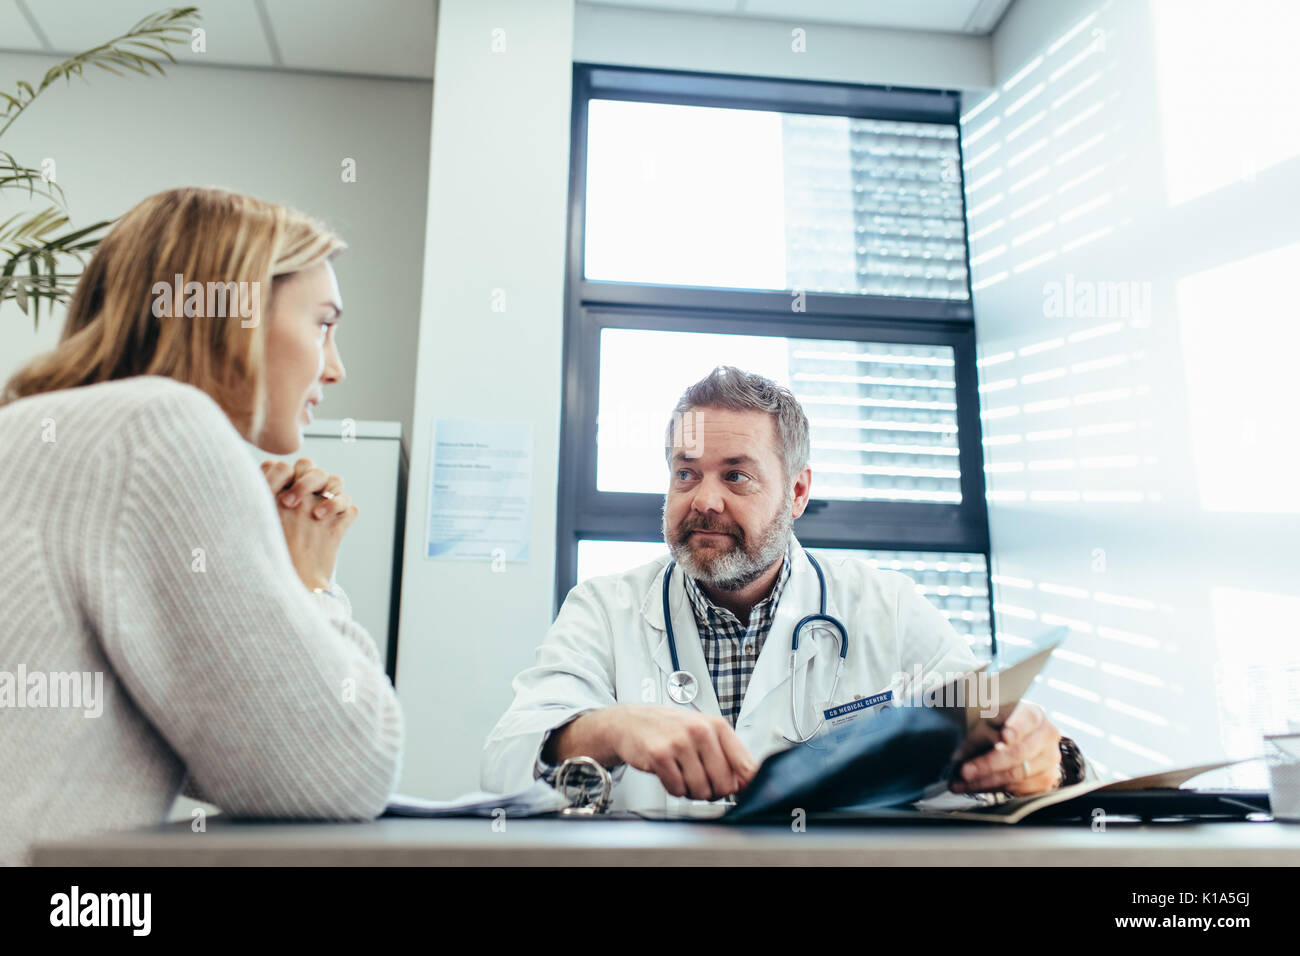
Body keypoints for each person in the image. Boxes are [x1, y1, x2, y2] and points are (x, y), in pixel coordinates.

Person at [0, 187, 403, 865]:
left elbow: (225, 749)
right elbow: (342, 769)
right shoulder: (161, 427)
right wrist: (306, 582)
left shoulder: (32, 430)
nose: (335, 368)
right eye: (323, 325)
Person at [483, 366, 1086, 813]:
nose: (704, 500)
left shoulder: (886, 609)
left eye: (736, 475)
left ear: (797, 493)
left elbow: (983, 738)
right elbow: (502, 761)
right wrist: (610, 728)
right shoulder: (603, 609)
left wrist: (1041, 759)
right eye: (685, 473)